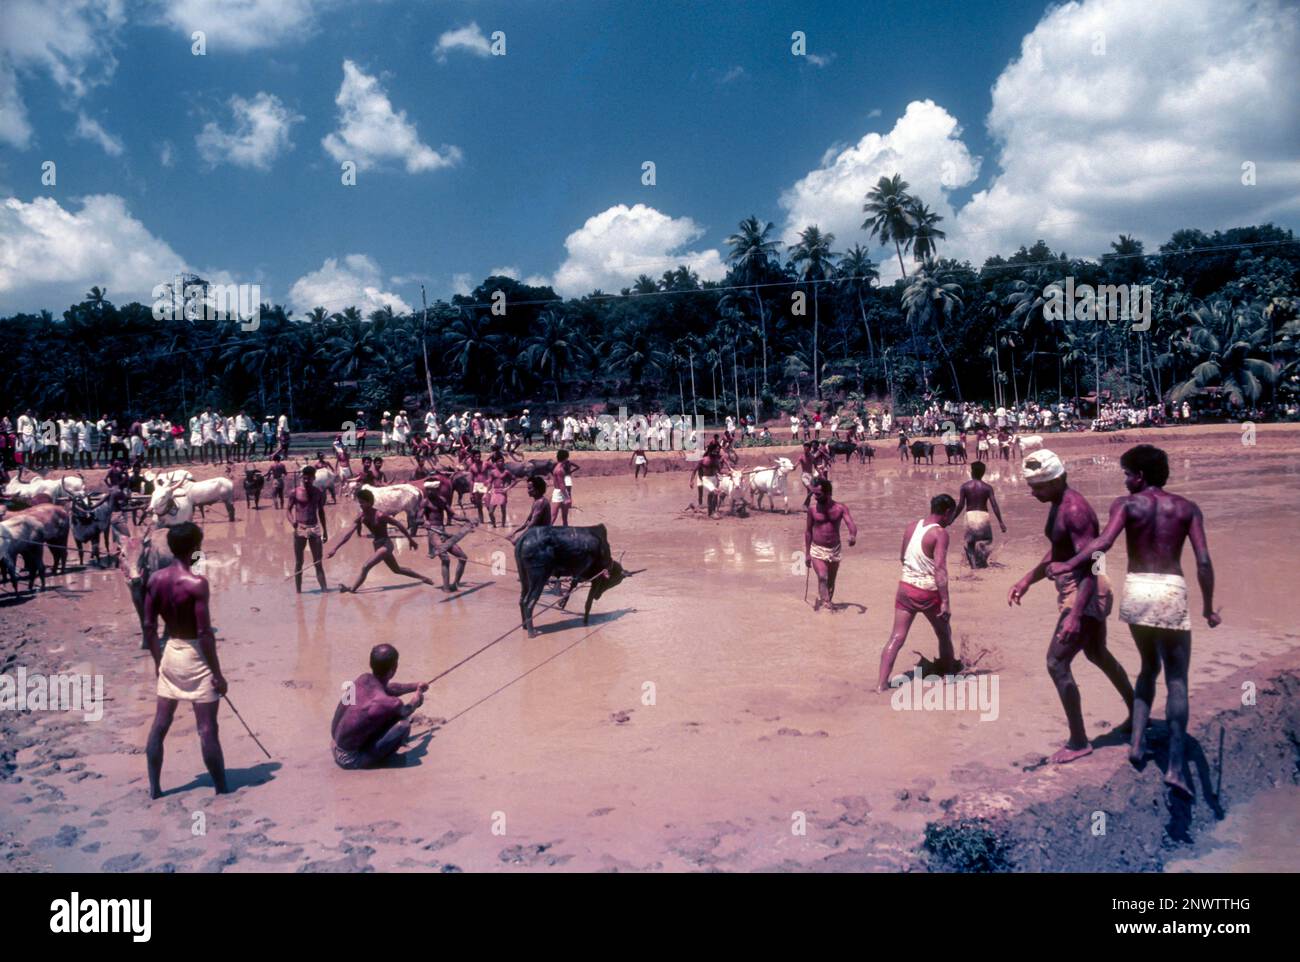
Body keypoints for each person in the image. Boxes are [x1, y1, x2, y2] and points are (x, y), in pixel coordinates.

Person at [1046, 444, 1219, 794]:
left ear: (1140, 476)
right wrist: (1208, 607)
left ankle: (1137, 745)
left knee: (1146, 669)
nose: (1125, 480)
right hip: (1170, 589)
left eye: (1127, 473)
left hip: (1138, 589)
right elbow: (1202, 561)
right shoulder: (1187, 508)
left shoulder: (1126, 505)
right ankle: (1174, 767)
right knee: (1177, 681)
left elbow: (1103, 543)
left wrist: (1070, 563)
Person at [1008, 448, 1134, 764]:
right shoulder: (1057, 504)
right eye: (1032, 485)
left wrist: (1076, 614)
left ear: (1059, 479)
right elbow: (1057, 551)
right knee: (1096, 653)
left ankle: (1079, 741)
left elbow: (1092, 562)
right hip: (1076, 587)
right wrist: (1028, 579)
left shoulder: (1075, 510)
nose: (1033, 492)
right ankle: (1139, 709)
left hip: (1086, 590)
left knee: (1056, 662)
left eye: (1039, 486)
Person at [142, 522, 228, 798]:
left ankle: (155, 788)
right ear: (194, 548)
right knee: (207, 728)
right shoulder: (196, 583)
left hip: (170, 653)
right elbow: (204, 633)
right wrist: (218, 673)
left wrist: (159, 661)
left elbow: (148, 628)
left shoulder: (154, 580)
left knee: (160, 724)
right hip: (195, 656)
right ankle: (221, 789)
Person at [876, 494, 960, 690]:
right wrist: (945, 601)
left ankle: (881, 685)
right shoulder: (940, 534)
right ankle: (948, 677)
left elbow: (902, 557)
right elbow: (940, 569)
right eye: (952, 515)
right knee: (944, 633)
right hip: (927, 591)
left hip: (905, 588)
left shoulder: (912, 527)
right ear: (947, 513)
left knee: (896, 637)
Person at [330, 645, 426, 769]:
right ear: (394, 669)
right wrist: (416, 700)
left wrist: (415, 686)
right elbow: (406, 711)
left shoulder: (363, 679)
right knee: (403, 725)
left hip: (334, 744)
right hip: (350, 759)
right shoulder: (391, 703)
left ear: (371, 663)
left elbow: (388, 688)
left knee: (377, 714)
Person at [328, 488, 435, 593]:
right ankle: (423, 578)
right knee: (397, 570)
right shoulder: (362, 516)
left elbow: (398, 524)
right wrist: (334, 548)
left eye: (363, 503)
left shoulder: (380, 515)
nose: (361, 505)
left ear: (370, 502)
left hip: (386, 545)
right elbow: (348, 534)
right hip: (377, 545)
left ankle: (352, 589)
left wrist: (411, 540)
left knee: (366, 566)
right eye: (359, 503)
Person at [804, 478, 857, 612]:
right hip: (817, 549)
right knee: (823, 576)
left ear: (828, 493)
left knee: (831, 582)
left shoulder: (840, 508)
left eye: (818, 494)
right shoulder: (812, 510)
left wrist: (852, 535)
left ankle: (827, 604)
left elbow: (851, 524)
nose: (815, 497)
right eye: (813, 494)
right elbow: (808, 532)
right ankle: (827, 606)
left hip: (835, 549)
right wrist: (807, 554)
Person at [953, 461, 1007, 568]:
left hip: (970, 516)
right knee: (986, 541)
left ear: (972, 472)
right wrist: (1001, 522)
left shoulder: (965, 486)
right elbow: (994, 505)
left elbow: (960, 505)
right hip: (983, 515)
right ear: (983, 473)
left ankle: (973, 567)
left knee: (970, 544)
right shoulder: (987, 487)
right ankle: (982, 564)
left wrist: (952, 518)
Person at [287, 464, 329, 593]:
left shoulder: (318, 493)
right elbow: (288, 510)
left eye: (308, 478)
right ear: (302, 477)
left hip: (314, 528)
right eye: (304, 478)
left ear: (313, 478)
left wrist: (325, 530)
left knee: (318, 562)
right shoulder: (295, 492)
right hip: (300, 528)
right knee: (299, 562)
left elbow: (321, 511)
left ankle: (325, 592)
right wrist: (292, 521)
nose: (306, 481)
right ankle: (298, 592)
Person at [508, 476, 552, 542]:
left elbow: (532, 523)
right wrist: (514, 532)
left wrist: (519, 537)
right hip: (537, 534)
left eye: (530, 488)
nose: (528, 491)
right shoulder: (537, 501)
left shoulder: (541, 502)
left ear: (537, 489)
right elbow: (527, 522)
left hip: (542, 536)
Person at [550, 449, 579, 525]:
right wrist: (567, 497)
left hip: (559, 491)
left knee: (563, 516)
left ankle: (565, 530)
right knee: (554, 516)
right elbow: (561, 484)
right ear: (566, 458)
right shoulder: (560, 470)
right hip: (560, 492)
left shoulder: (557, 467)